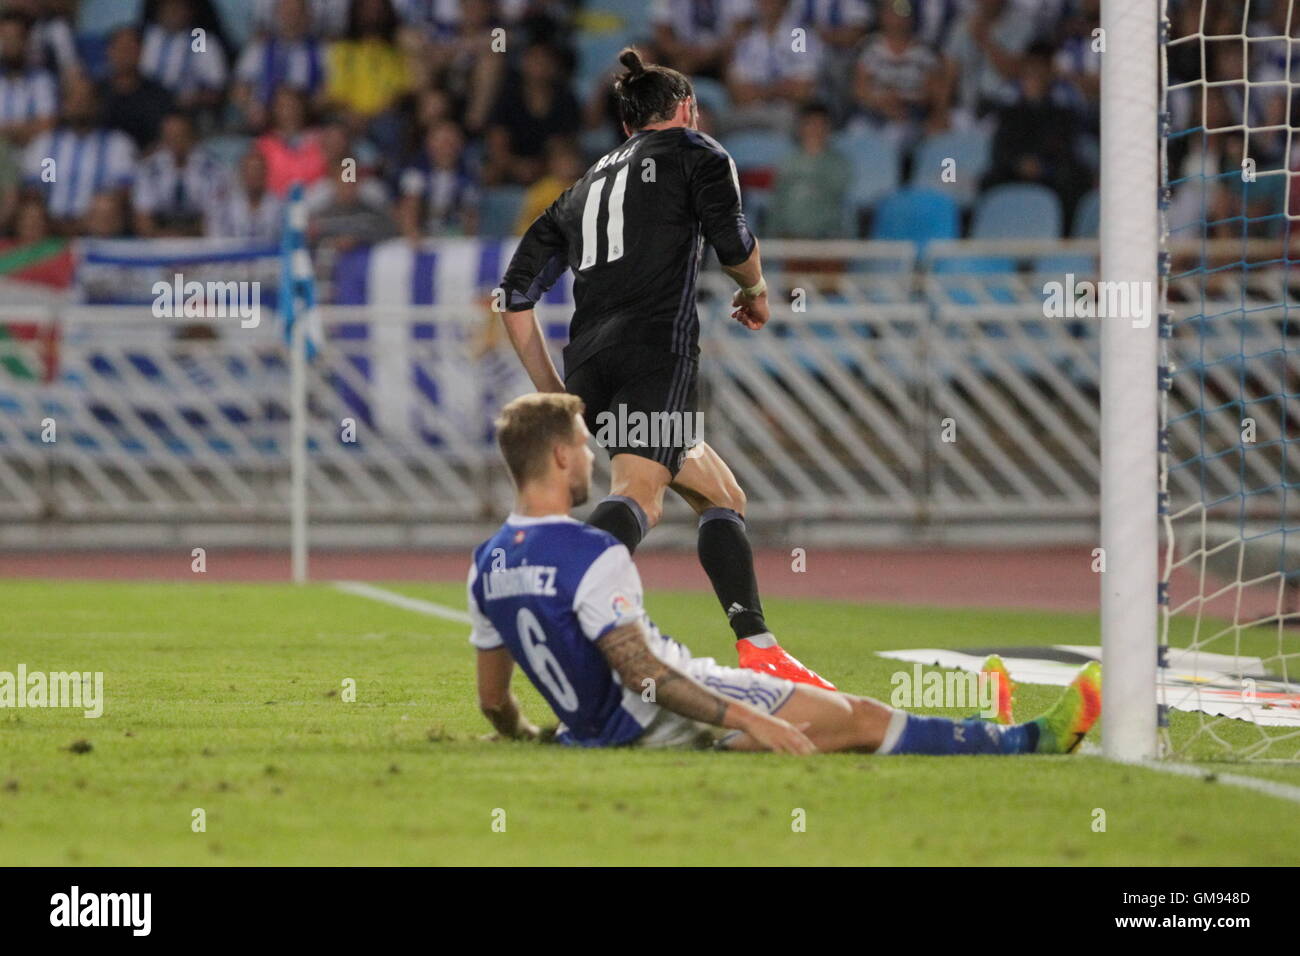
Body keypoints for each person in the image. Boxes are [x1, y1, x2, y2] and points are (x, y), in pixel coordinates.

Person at [469, 392, 1103, 754]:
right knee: (859, 717)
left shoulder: (486, 564)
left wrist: (530, 734)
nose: (588, 455)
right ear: (557, 454)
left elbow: (494, 700)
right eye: (581, 444)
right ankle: (1032, 740)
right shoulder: (591, 554)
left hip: (609, 734)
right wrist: (745, 714)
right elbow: (645, 674)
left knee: (820, 728)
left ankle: (978, 715)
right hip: (668, 708)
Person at [498, 46, 834, 689]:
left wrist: (555, 395)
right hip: (655, 351)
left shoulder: (581, 186)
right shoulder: (698, 152)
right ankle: (556, 607)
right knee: (640, 500)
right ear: (685, 109)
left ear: (626, 127)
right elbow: (733, 244)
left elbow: (515, 298)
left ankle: (759, 646)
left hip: (590, 365)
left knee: (722, 495)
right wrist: (756, 292)